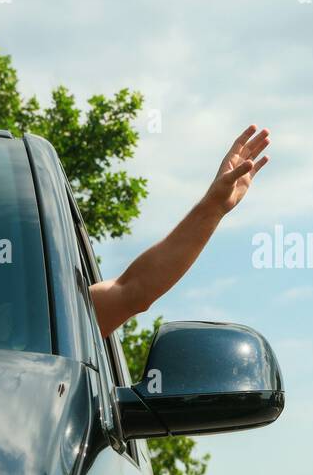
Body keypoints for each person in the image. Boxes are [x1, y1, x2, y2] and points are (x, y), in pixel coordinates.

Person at [88, 125, 270, 337]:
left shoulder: (63, 310)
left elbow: (134, 291)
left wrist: (214, 207)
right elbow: (133, 291)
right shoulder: (57, 318)